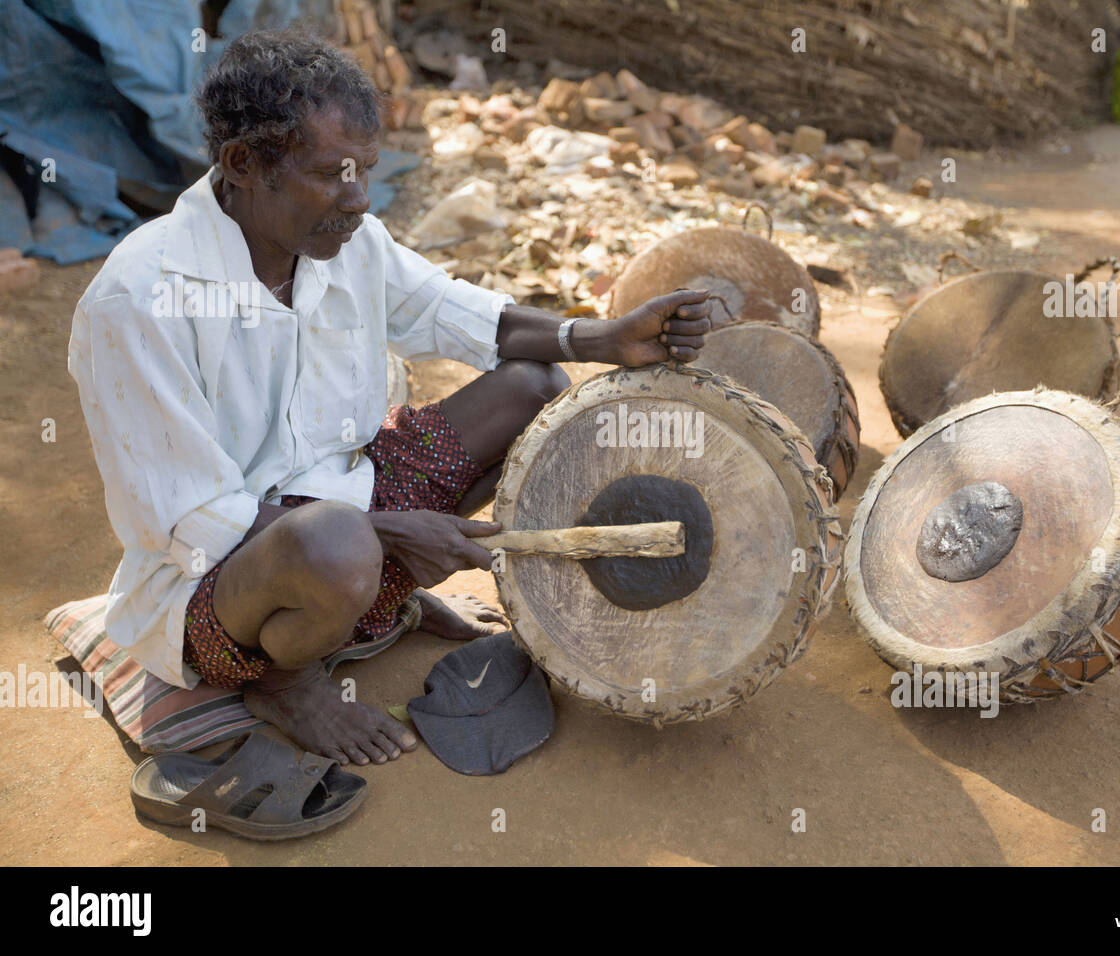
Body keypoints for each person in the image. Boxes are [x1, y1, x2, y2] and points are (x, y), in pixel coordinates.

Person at [67, 30, 712, 767]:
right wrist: (393, 535)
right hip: (219, 579)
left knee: (536, 389)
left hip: (350, 506)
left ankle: (375, 595)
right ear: (244, 164)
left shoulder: (349, 241)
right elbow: (190, 518)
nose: (359, 198)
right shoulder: (140, 298)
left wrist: (603, 337)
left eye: (365, 171)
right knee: (337, 541)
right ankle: (287, 678)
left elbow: (453, 311)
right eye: (331, 174)